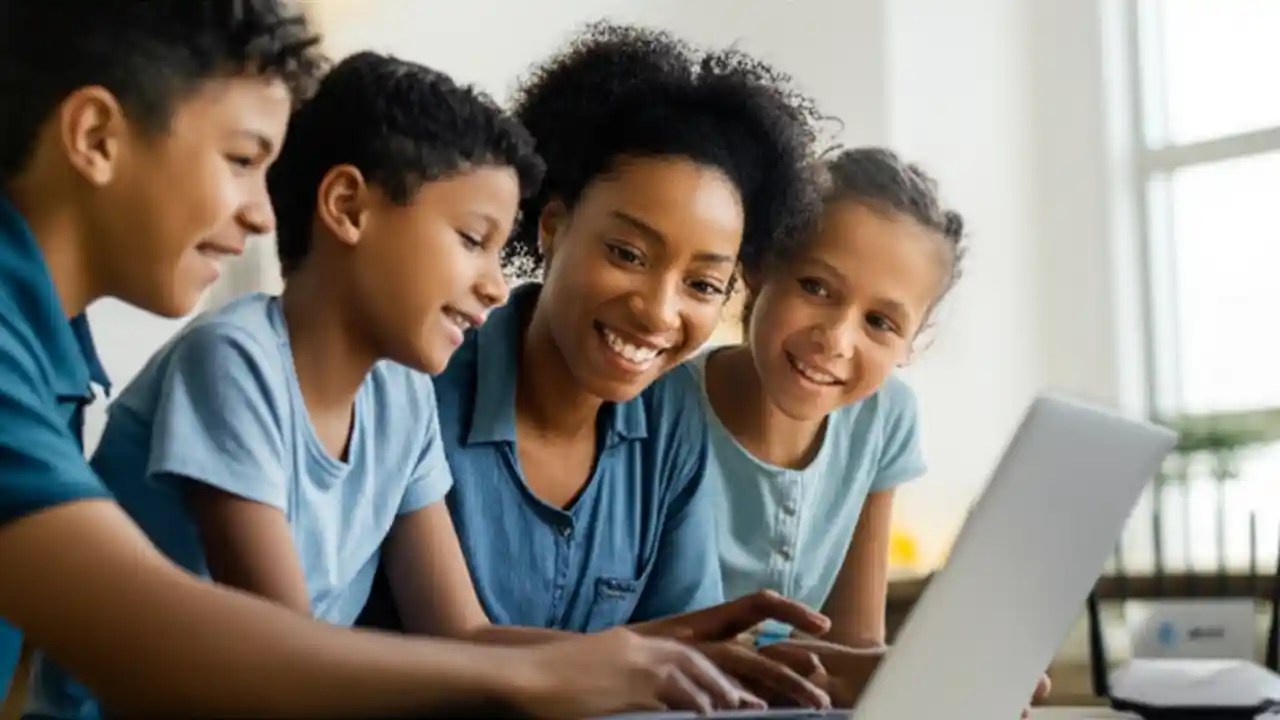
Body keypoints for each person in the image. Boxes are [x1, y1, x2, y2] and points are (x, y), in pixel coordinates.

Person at [0, 3, 772, 717]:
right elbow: (227, 642)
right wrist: (541, 677)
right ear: (98, 136)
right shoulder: (213, 359)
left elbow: (456, 631)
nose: (261, 211)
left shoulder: (54, 349)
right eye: (241, 158)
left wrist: (653, 656)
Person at [361, 20, 839, 709]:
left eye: (703, 285)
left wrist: (842, 674)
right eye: (628, 254)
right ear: (552, 228)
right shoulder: (420, 385)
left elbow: (675, 664)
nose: (657, 311)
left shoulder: (670, 417)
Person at [694, 147, 1051, 712]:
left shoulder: (884, 418)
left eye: (880, 323)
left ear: (911, 345)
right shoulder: (662, 407)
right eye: (816, 287)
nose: (837, 339)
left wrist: (917, 680)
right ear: (759, 268)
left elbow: (855, 640)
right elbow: (652, 638)